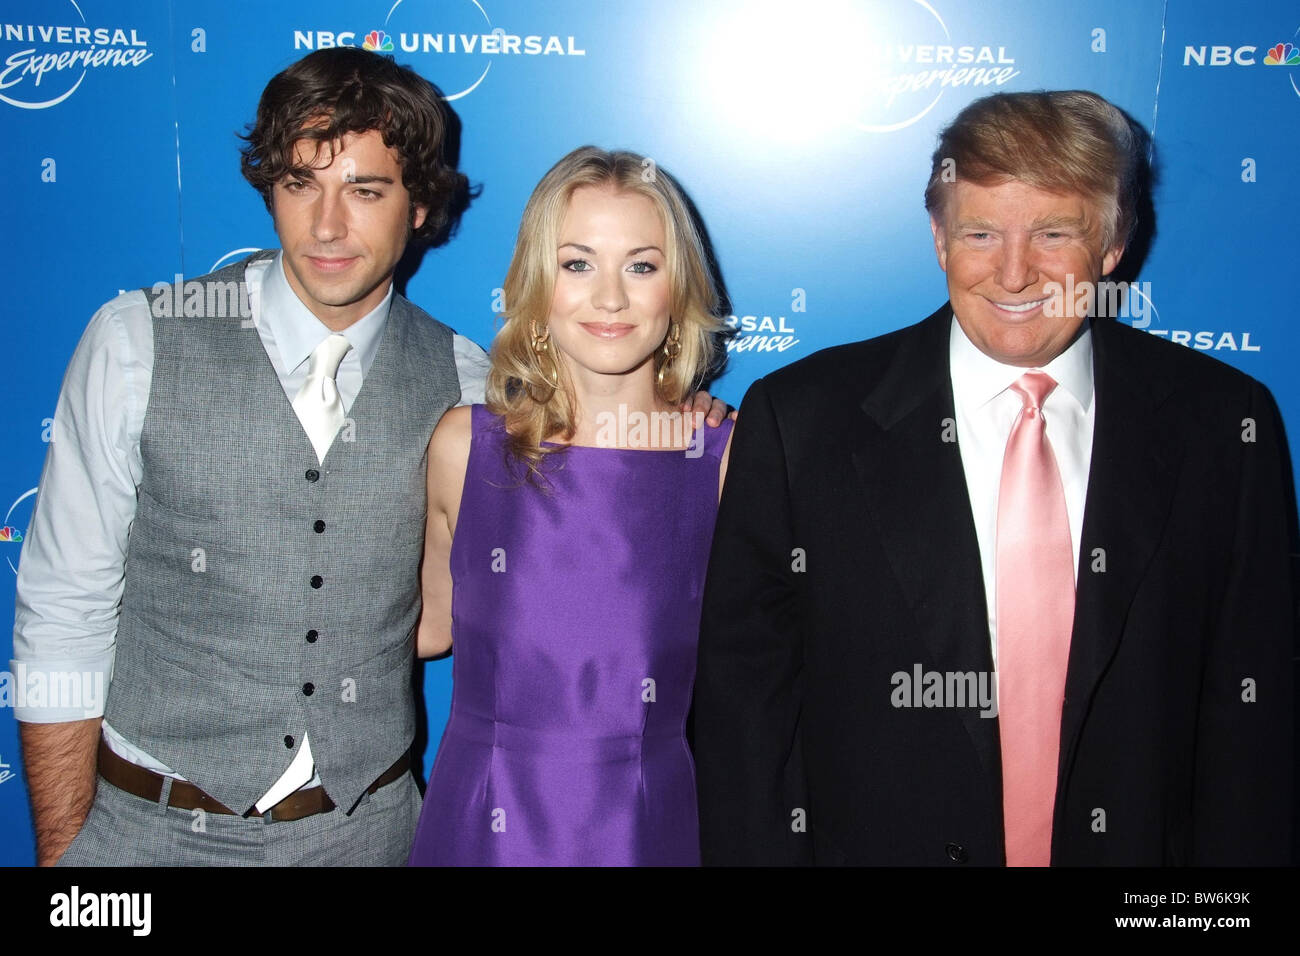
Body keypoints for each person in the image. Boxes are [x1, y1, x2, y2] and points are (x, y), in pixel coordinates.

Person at [11, 47, 729, 867]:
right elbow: (63, 613)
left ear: (419, 204)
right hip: (149, 833)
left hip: (371, 835)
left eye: (365, 189)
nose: (327, 226)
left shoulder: (465, 390)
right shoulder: (138, 342)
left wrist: (685, 433)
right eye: (299, 184)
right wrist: (68, 853)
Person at [694, 90, 1295, 866]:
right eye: (981, 232)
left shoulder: (1226, 424)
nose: (1014, 274)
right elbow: (747, 718)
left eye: (1053, 233)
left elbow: (1254, 723)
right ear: (940, 239)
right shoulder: (801, 421)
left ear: (1112, 246)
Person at [407, 146, 733, 866]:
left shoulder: (724, 460)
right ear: (535, 283)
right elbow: (422, 629)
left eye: (641, 266)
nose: (610, 299)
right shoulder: (464, 447)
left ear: (677, 287)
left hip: (649, 830)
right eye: (577, 263)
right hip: (480, 827)